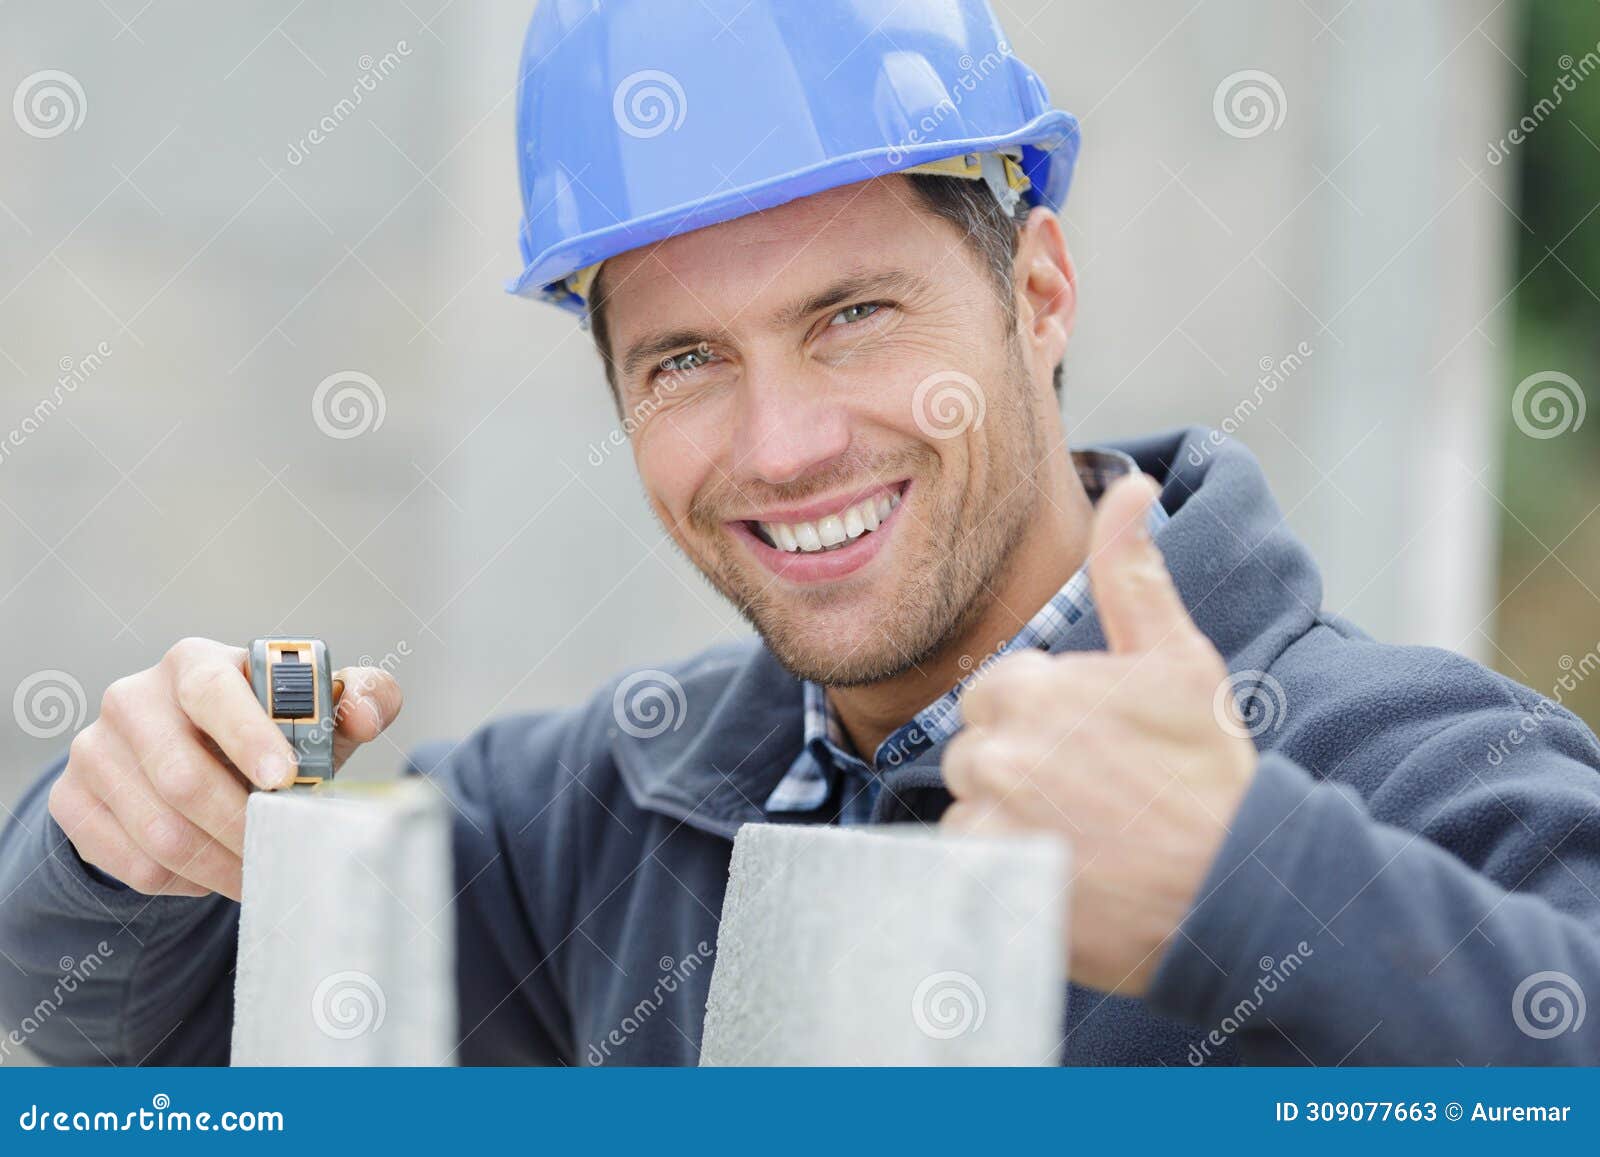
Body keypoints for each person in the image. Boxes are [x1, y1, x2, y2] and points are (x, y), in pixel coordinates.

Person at [2, 0, 1598, 1066]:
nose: (781, 444)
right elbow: (117, 1026)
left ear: (1036, 289)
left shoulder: (1404, 773)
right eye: (686, 360)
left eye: (852, 315)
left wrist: (1251, 885)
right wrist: (121, 842)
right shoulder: (599, 822)